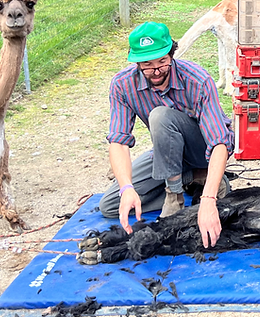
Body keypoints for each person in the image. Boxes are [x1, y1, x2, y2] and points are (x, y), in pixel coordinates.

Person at [99, 21, 233, 248]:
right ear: (136, 63)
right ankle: (192, 178)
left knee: (160, 116)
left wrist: (208, 200)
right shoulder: (122, 85)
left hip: (201, 151)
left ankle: (176, 195)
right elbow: (118, 141)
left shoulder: (197, 80)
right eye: (147, 65)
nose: (156, 70)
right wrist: (127, 188)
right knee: (110, 205)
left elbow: (220, 142)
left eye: (162, 61)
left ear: (172, 54)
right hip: (167, 155)